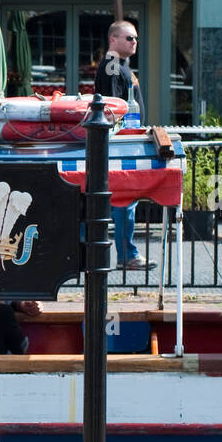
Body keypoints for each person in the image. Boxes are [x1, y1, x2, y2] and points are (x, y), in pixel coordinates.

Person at [98, 21, 152, 271]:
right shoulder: (111, 67)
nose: (134, 42)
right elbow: (112, 110)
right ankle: (125, 254)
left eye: (136, 38)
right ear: (113, 39)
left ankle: (125, 254)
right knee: (123, 199)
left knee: (124, 200)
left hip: (123, 141)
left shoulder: (120, 66)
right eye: (129, 38)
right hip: (118, 143)